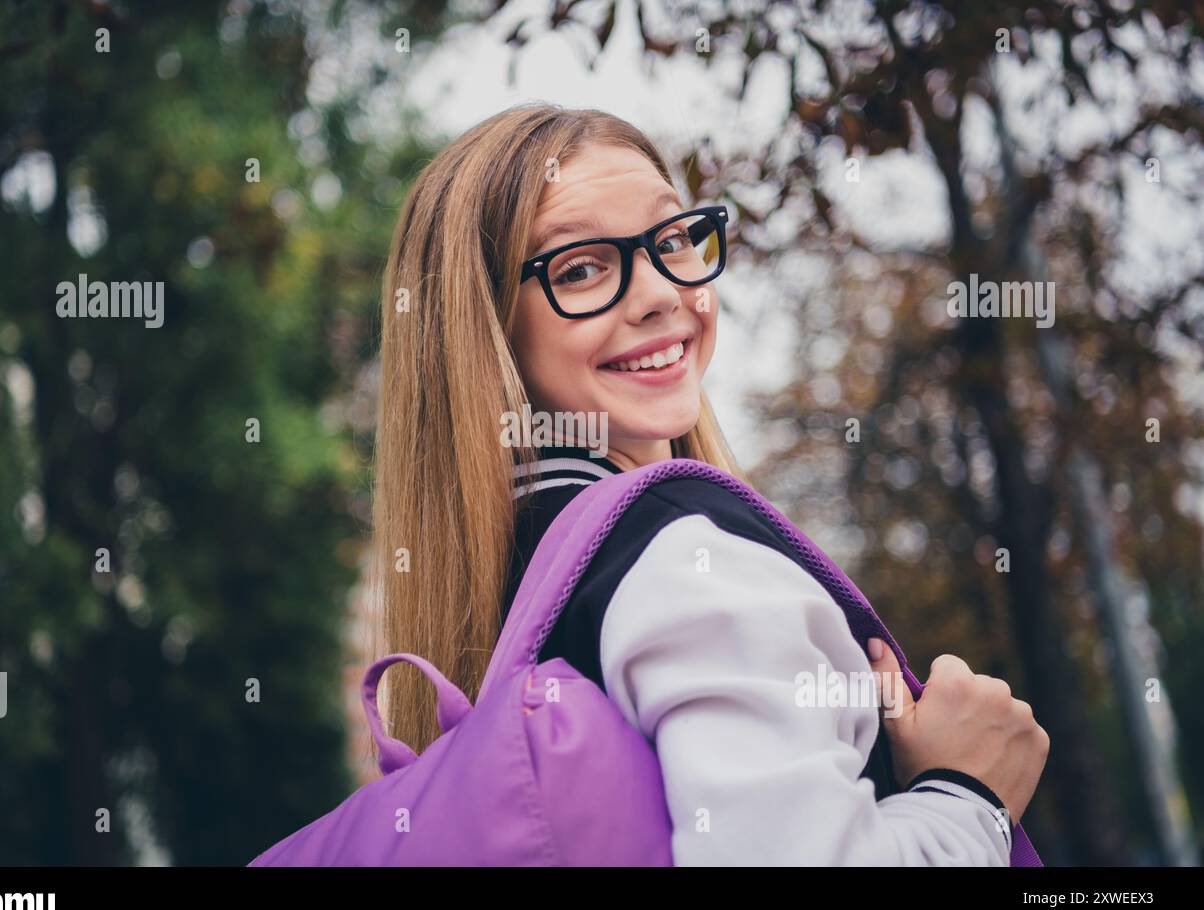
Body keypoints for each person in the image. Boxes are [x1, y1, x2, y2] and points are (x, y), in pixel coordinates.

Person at [369, 102, 1049, 865]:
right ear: (488, 329)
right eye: (581, 268)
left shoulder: (512, 601)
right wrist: (967, 794)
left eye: (670, 239)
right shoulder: (676, 560)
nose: (660, 292)